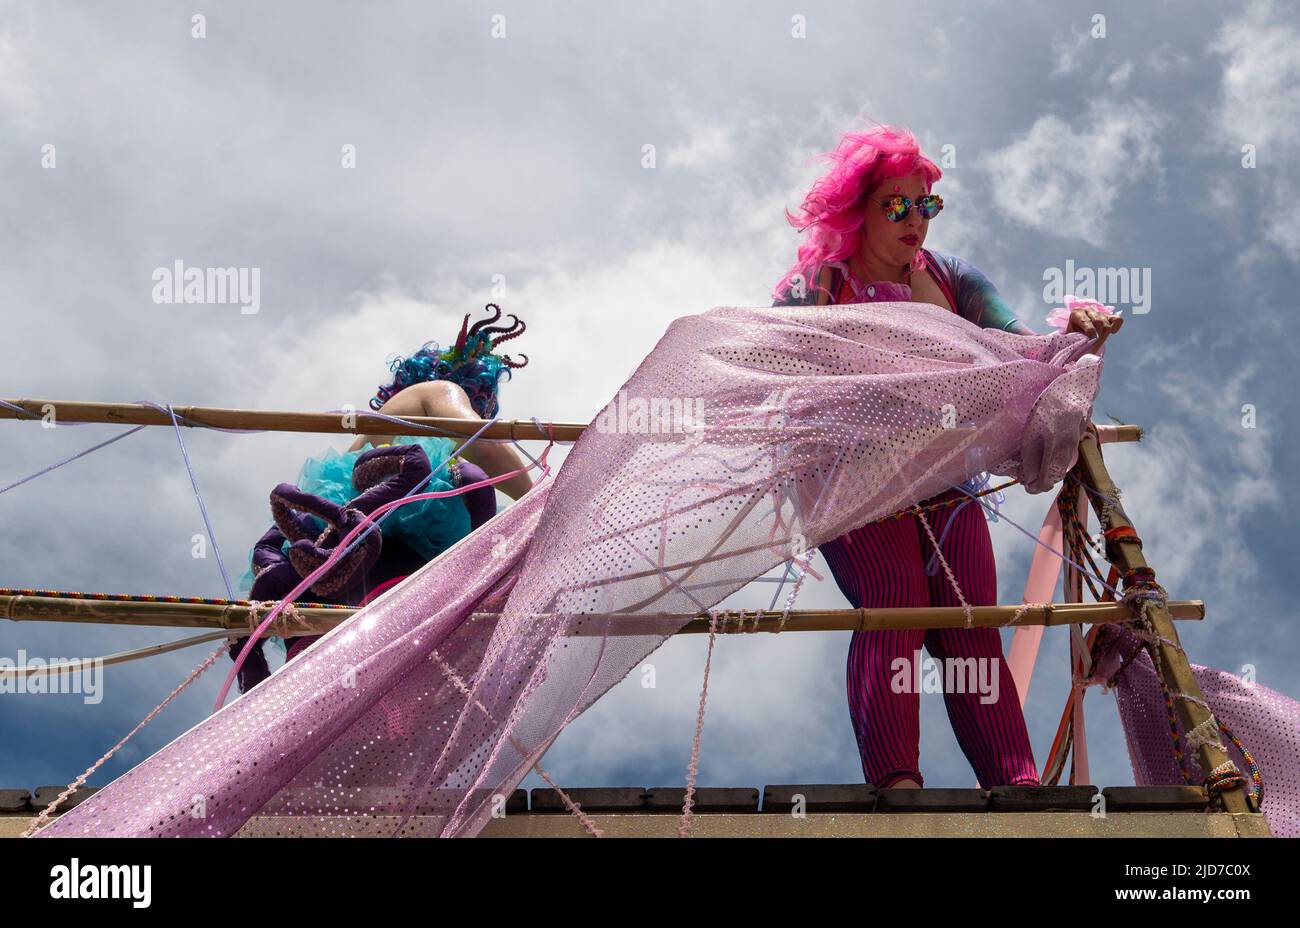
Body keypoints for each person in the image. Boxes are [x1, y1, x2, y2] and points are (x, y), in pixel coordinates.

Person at [773, 124, 1123, 789]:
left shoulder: (952, 277)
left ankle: (1017, 786)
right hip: (851, 473)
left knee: (971, 624)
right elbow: (775, 362)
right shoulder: (820, 283)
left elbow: (1026, 354)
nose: (915, 221)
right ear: (857, 212)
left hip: (945, 477)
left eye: (925, 204)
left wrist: (1078, 336)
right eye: (895, 205)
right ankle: (896, 783)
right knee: (896, 600)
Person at [229, 304, 536, 693]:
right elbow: (476, 438)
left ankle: (315, 662)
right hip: (397, 525)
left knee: (333, 644)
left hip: (332, 551)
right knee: (469, 496)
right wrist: (541, 494)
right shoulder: (437, 392)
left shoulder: (369, 434)